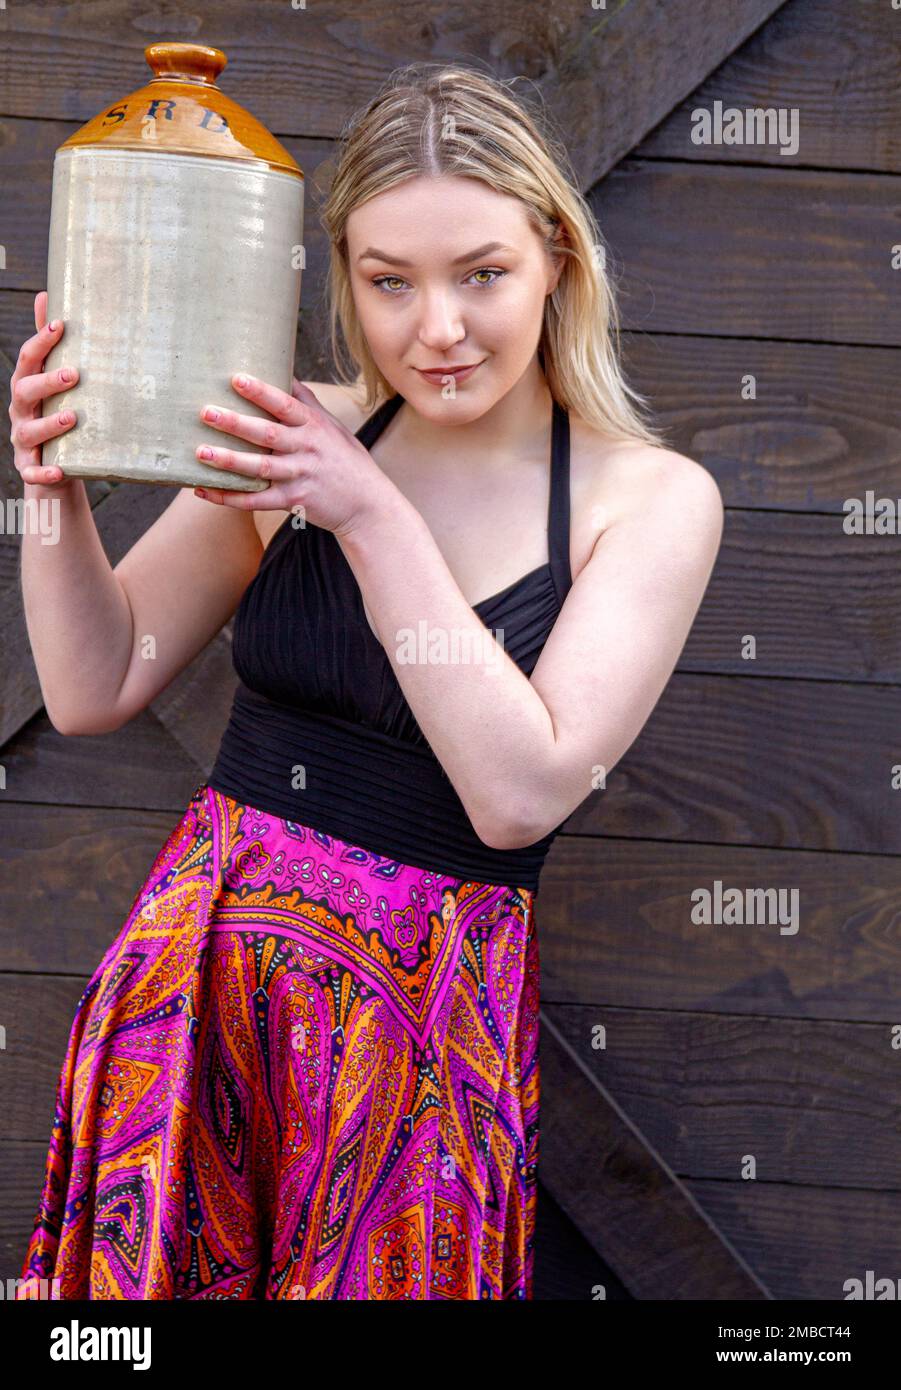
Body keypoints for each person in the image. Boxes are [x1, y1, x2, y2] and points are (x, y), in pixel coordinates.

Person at [9, 62, 723, 1300]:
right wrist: (52, 490)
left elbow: (518, 793)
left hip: (415, 1049)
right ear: (343, 276)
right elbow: (94, 682)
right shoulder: (300, 432)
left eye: (481, 274)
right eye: (389, 282)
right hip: (198, 991)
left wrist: (369, 517)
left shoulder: (648, 500)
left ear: (556, 254)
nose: (435, 328)